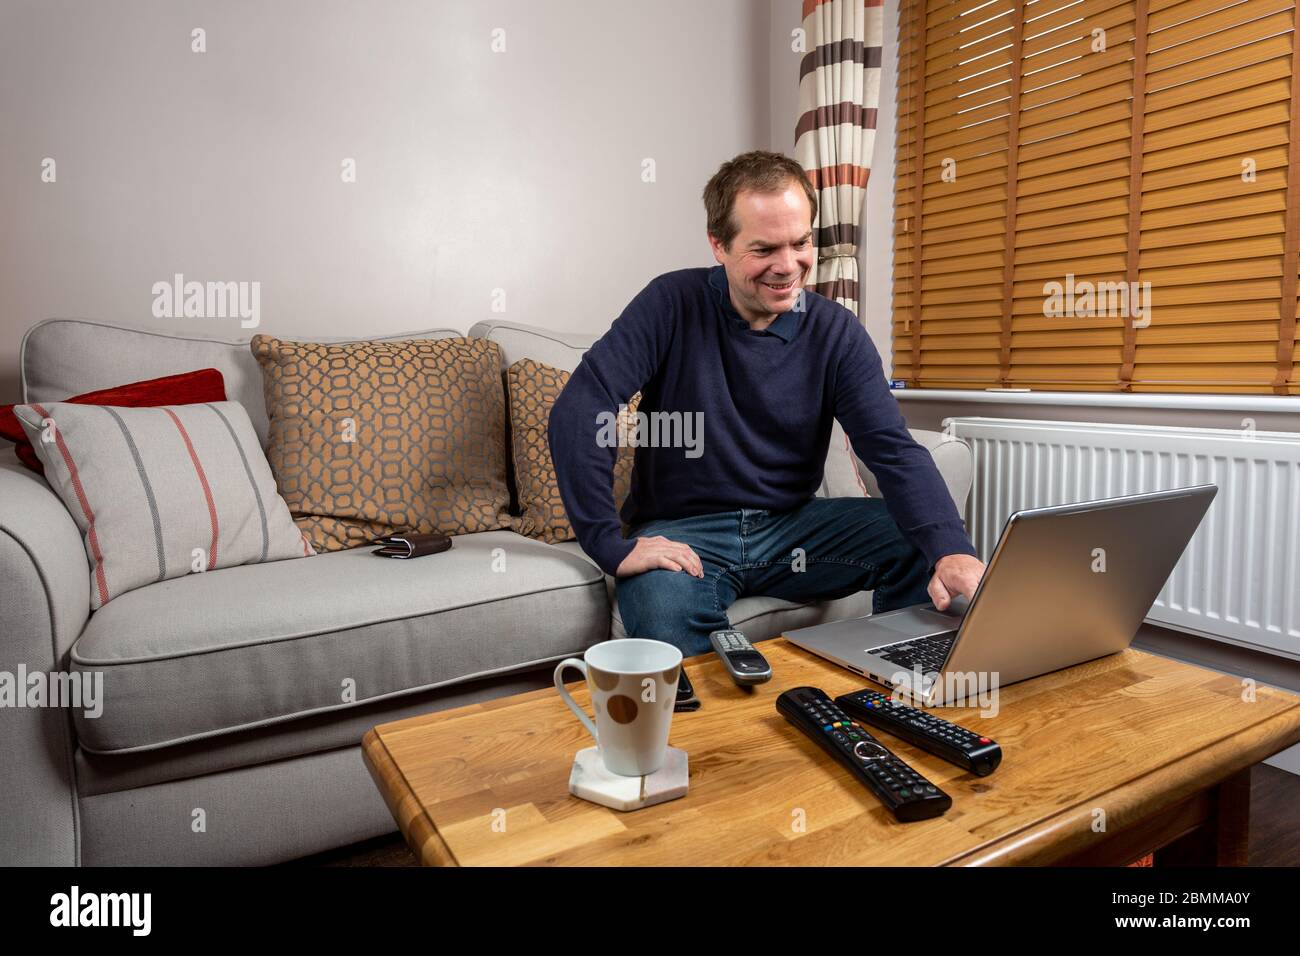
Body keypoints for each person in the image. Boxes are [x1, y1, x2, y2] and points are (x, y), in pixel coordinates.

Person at [547, 149, 985, 657]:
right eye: (764, 249)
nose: (788, 266)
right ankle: (719, 729)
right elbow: (581, 410)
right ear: (719, 244)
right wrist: (610, 545)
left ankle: (887, 689)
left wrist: (952, 549)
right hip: (684, 534)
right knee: (661, 612)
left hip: (794, 527)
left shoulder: (835, 332)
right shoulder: (670, 303)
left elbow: (892, 449)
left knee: (921, 541)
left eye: (801, 243)